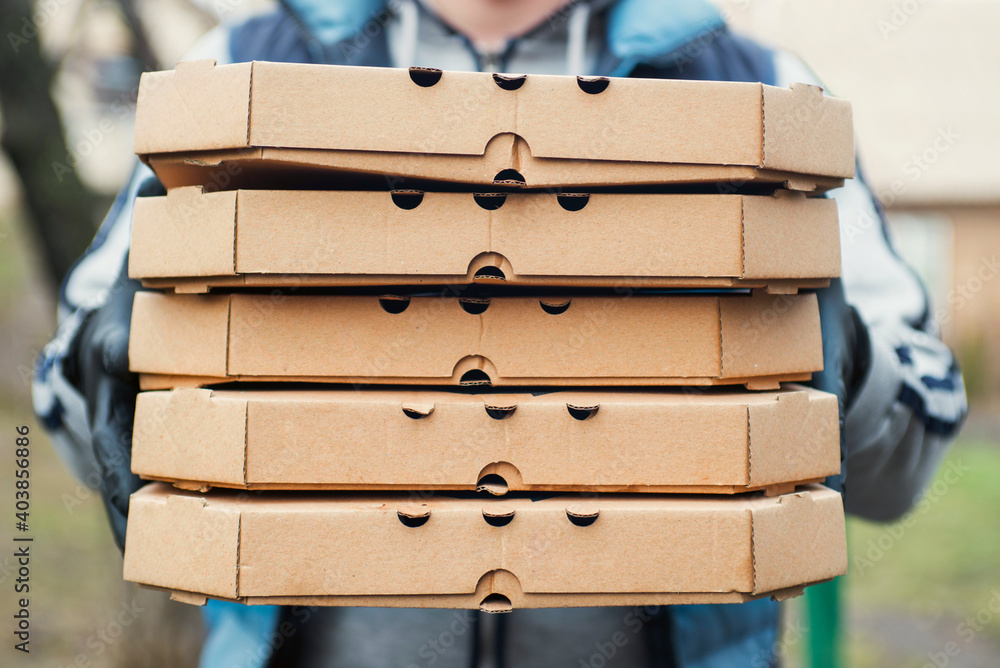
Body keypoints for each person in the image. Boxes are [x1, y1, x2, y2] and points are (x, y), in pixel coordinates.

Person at [33, 0, 968, 666]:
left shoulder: (760, 88)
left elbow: (912, 448)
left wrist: (838, 361)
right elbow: (74, 402)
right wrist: (113, 361)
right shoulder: (237, 69)